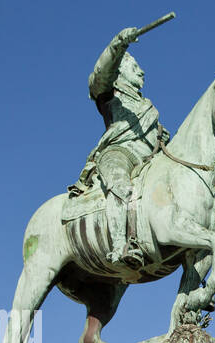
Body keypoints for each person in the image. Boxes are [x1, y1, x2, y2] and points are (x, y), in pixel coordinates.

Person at [71, 25, 169, 268]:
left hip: (149, 159)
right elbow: (101, 72)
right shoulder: (108, 92)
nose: (142, 71)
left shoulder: (147, 106)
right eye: (135, 68)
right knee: (121, 184)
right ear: (120, 72)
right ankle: (121, 244)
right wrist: (119, 44)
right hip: (121, 153)